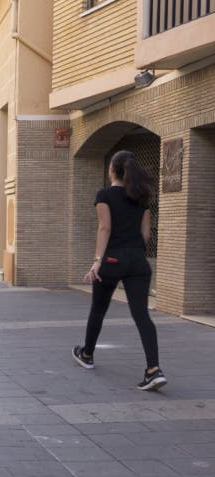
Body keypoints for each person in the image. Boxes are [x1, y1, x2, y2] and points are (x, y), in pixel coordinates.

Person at [72, 150, 166, 391]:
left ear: (111, 169)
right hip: (137, 260)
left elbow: (104, 228)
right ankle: (153, 370)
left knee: (99, 310)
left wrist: (97, 261)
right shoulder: (141, 197)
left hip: (111, 260)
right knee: (141, 315)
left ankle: (87, 355)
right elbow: (146, 235)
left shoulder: (104, 194)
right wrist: (132, 251)